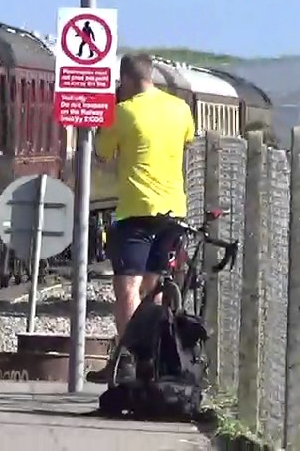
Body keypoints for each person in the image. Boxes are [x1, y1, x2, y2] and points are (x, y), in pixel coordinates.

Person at [86, 53, 196, 384]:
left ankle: (129, 359)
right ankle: (157, 358)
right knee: (157, 286)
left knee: (127, 287)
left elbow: (102, 153)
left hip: (135, 211)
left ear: (127, 80)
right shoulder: (180, 110)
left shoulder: (123, 112)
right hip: (174, 210)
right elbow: (188, 139)